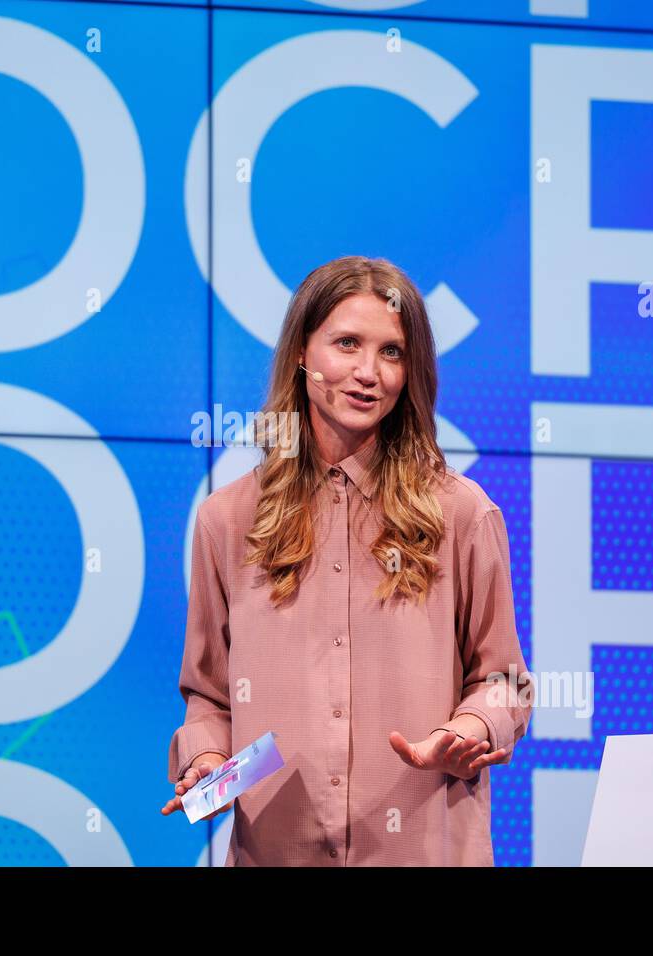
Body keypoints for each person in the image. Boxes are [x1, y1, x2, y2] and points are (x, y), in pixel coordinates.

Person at [160, 255, 533, 865]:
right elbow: (208, 694)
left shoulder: (463, 514)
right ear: (303, 353)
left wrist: (464, 735)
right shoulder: (227, 520)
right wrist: (206, 762)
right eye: (347, 344)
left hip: (420, 848)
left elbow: (504, 680)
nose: (368, 373)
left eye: (392, 352)